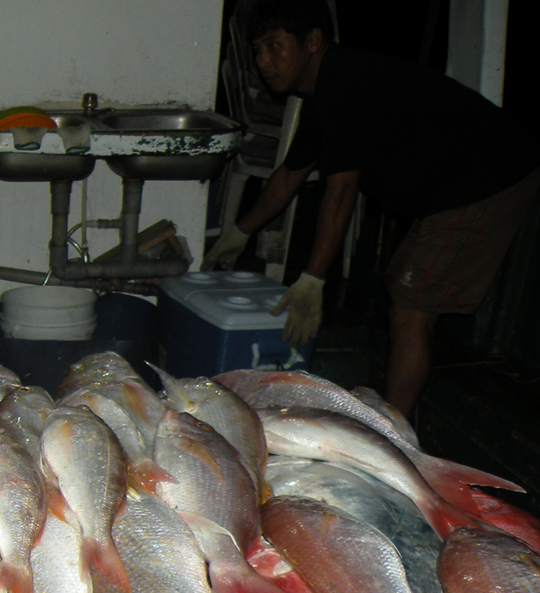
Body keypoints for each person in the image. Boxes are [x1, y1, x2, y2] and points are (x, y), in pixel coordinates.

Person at [203, 0, 540, 416]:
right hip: (449, 189)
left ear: (312, 41)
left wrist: (312, 281)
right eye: (257, 50)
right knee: (404, 285)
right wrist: (237, 234)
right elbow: (290, 174)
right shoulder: (323, 90)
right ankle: (397, 410)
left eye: (274, 46)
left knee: (411, 310)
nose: (263, 62)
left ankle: (390, 437)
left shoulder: (346, 83)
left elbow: (341, 191)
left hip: (485, 179)